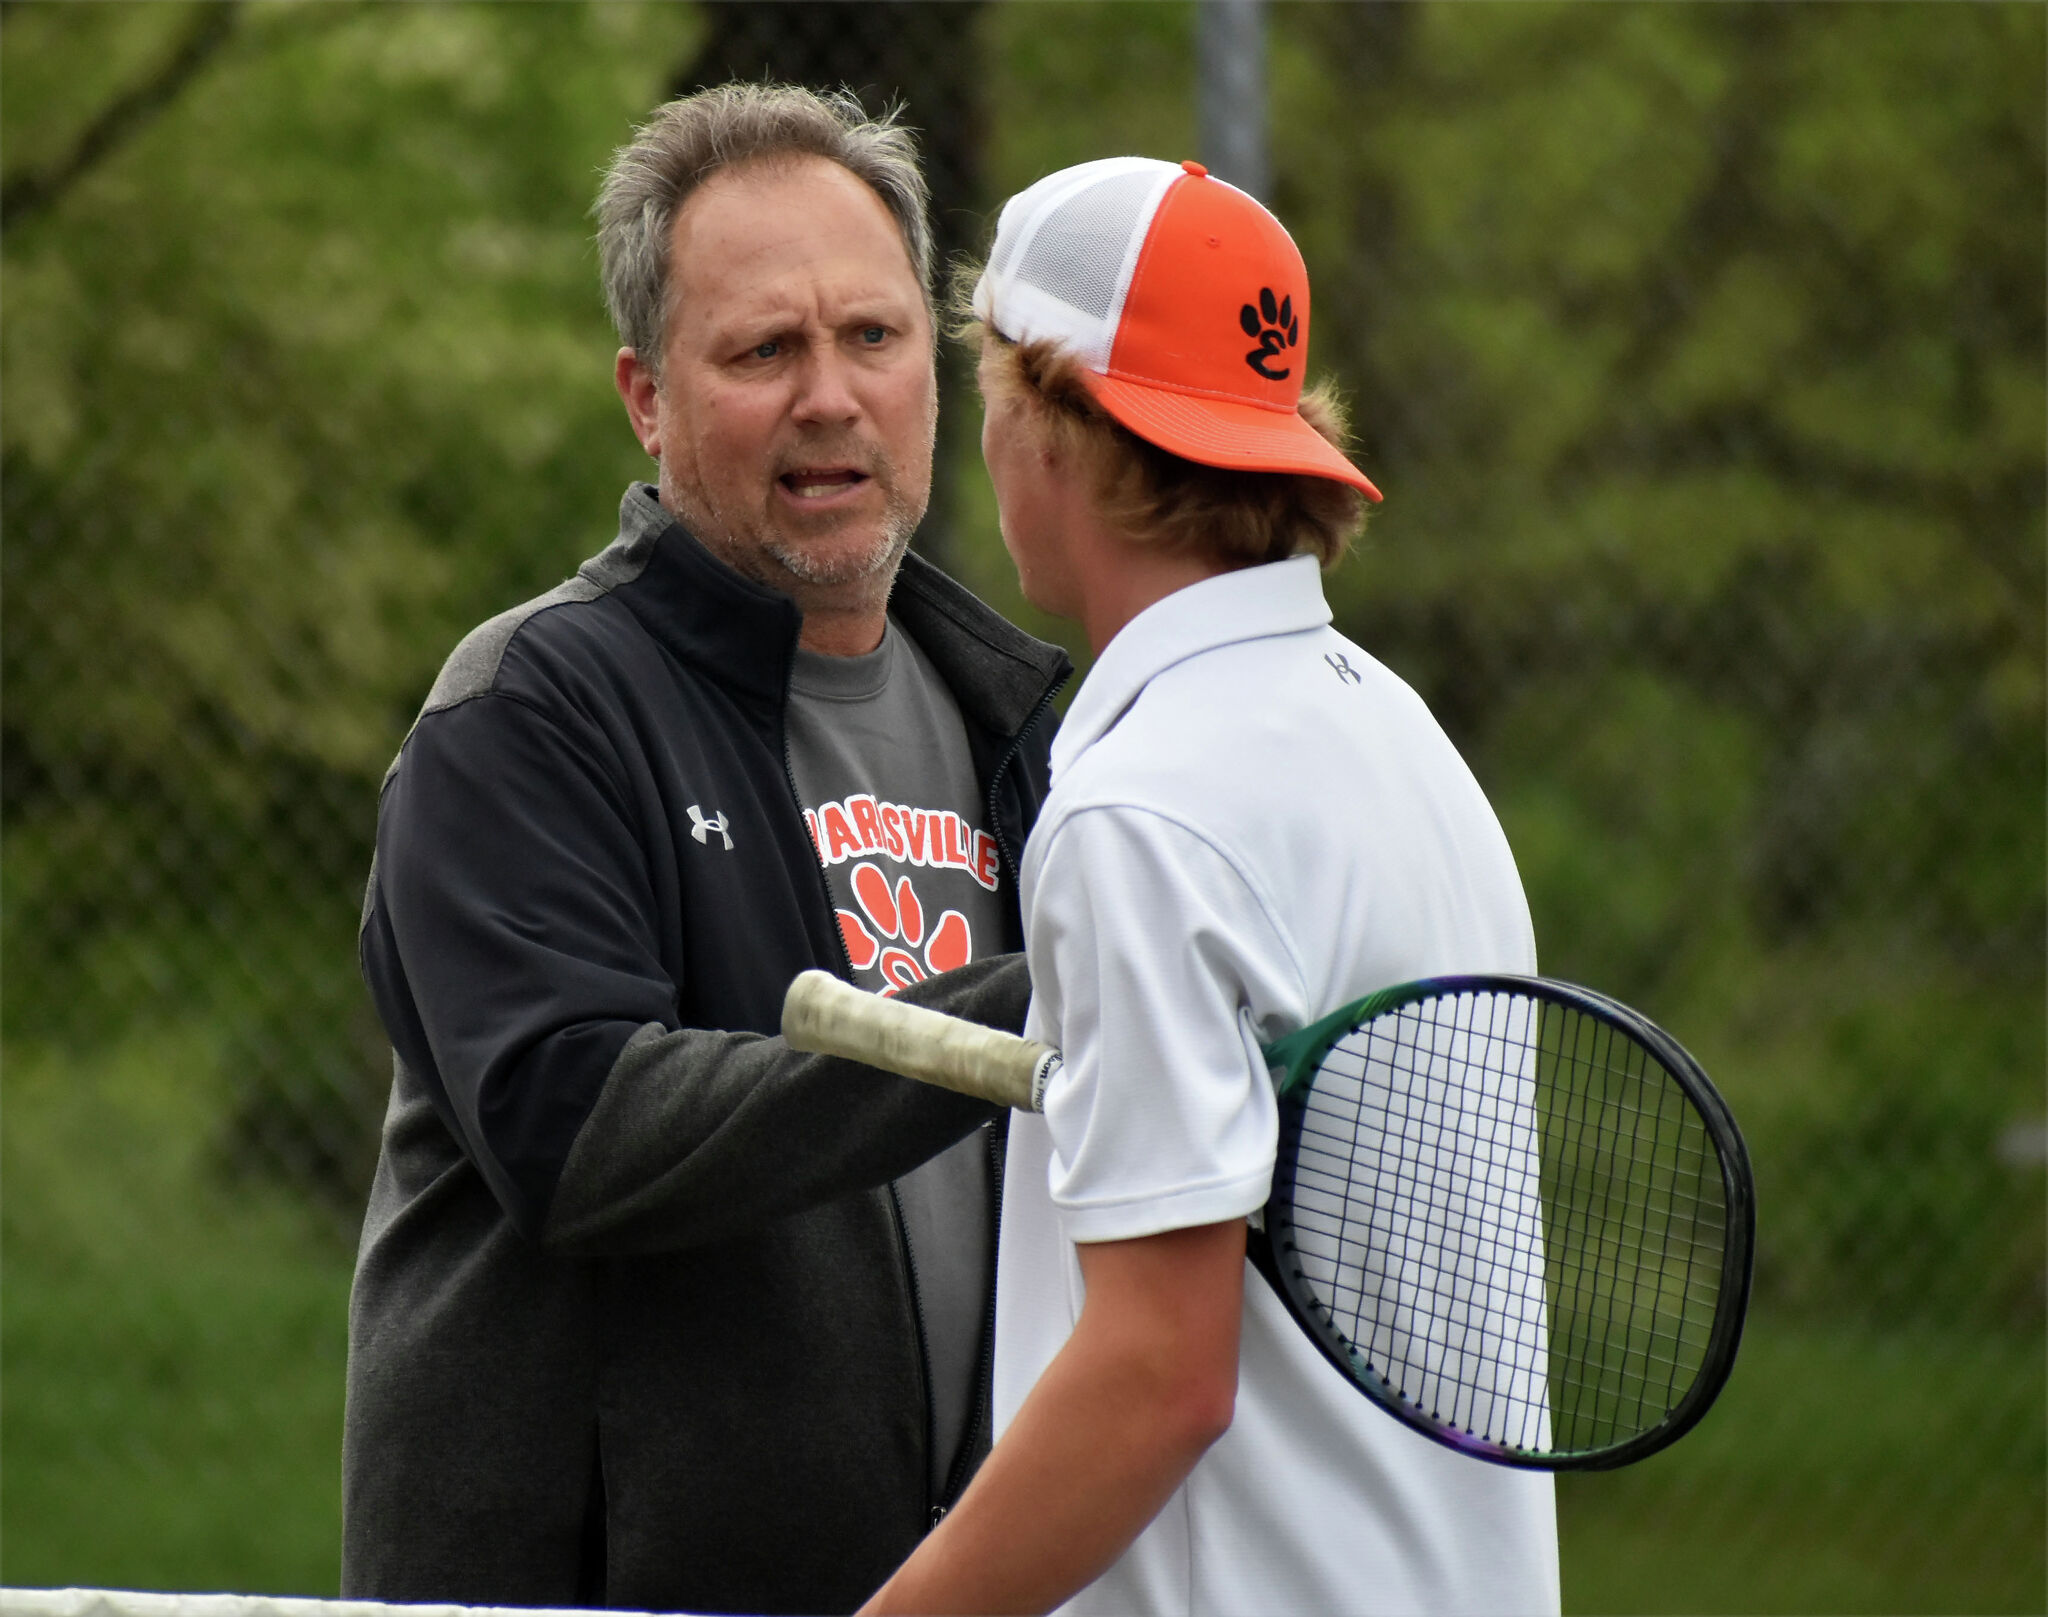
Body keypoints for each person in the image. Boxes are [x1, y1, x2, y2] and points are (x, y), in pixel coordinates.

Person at [343, 84, 1069, 1614]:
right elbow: (575, 1121)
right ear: (646, 397)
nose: (832, 397)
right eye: (763, 351)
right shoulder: (528, 712)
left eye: (872, 336)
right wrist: (1031, 1007)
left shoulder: (1036, 735)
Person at [859, 158, 1561, 1616]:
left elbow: (1159, 1376)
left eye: (986, 374)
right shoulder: (1391, 731)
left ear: (1052, 422)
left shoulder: (1141, 808)